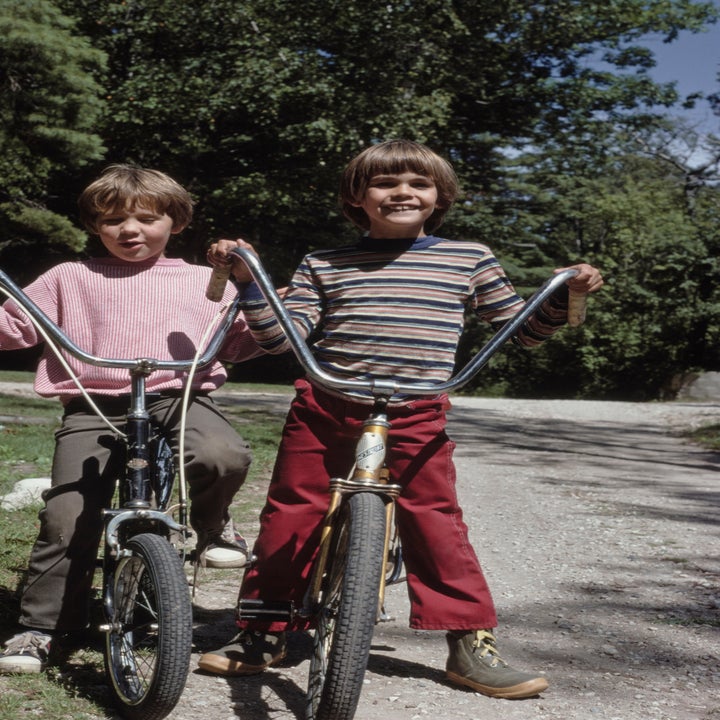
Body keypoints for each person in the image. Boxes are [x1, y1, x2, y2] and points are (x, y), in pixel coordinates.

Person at [198, 140, 604, 699]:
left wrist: (562, 296)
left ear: (439, 197)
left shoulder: (469, 258)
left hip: (417, 408)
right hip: (328, 406)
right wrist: (249, 281)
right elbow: (278, 336)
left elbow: (521, 328)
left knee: (436, 520)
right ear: (357, 198)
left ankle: (468, 641)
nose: (403, 192)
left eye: (419, 183)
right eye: (386, 184)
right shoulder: (325, 262)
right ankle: (264, 630)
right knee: (292, 511)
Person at [0, 164, 263, 674]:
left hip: (176, 396)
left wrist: (250, 288)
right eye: (113, 219)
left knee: (221, 454)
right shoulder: (69, 277)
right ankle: (43, 627)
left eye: (146, 217)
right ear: (95, 226)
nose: (130, 229)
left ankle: (212, 527)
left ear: (176, 222)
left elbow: (244, 341)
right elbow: (14, 325)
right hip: (93, 404)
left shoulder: (201, 282)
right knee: (66, 515)